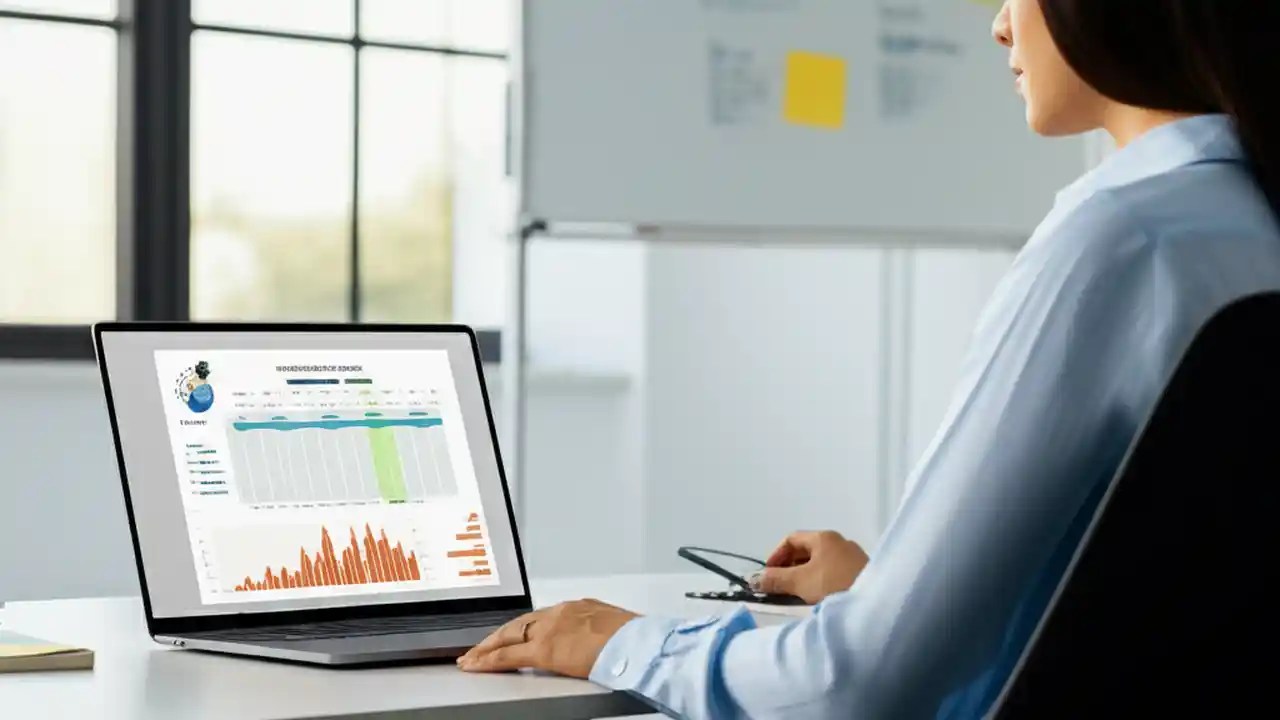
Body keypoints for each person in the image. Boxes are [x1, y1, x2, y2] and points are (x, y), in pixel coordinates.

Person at [460, 0, 1280, 717]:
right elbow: (1159, 611)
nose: (1000, 22)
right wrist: (893, 594)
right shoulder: (1248, 224)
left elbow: (853, 689)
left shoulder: (1121, 244)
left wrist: (617, 642)